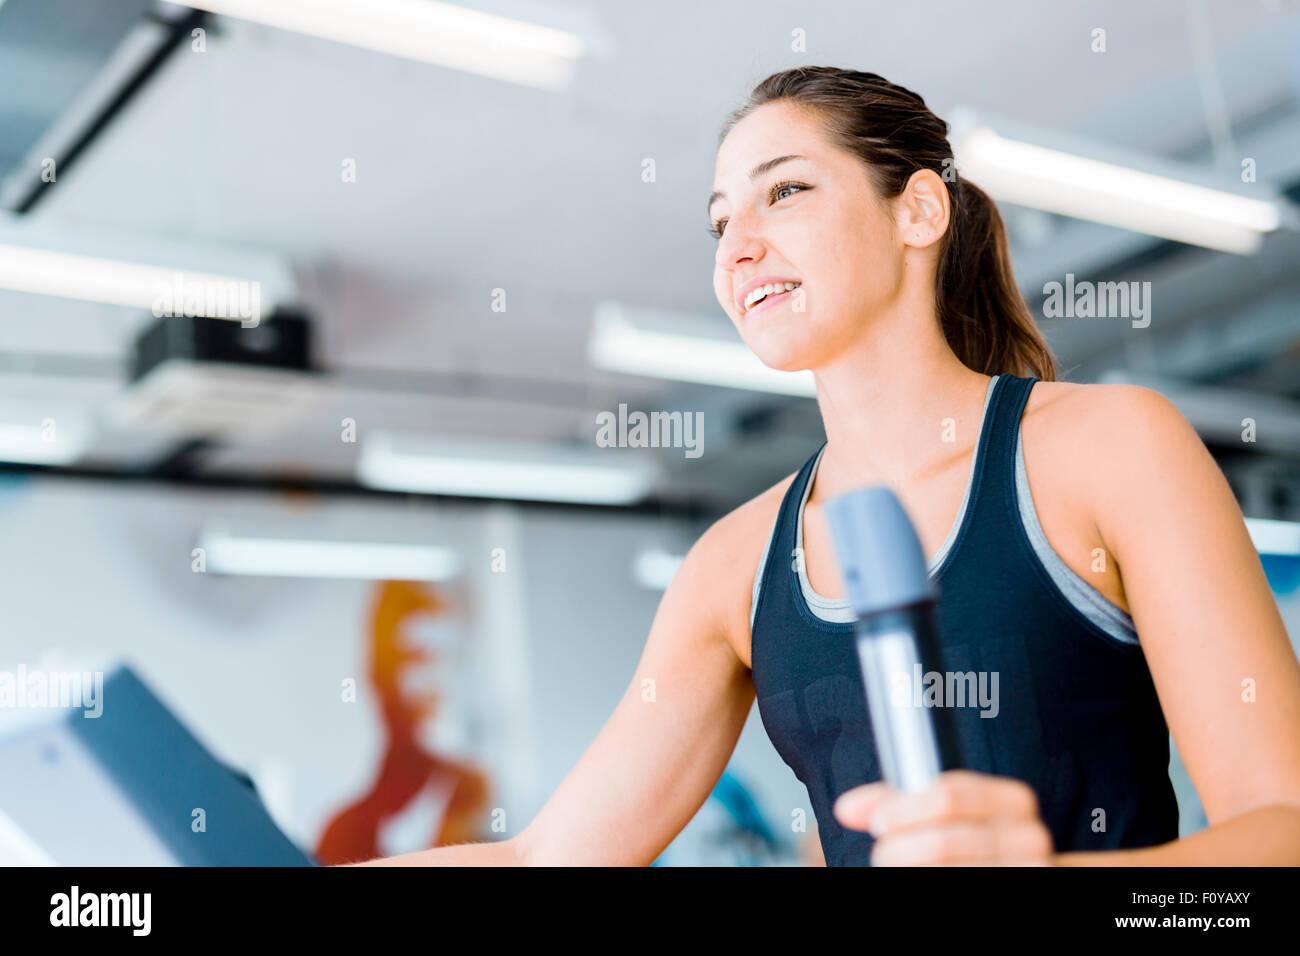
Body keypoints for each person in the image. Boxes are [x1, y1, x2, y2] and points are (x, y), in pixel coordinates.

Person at [361, 66, 1300, 866]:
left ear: (918, 209)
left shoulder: (1109, 449)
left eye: (786, 191)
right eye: (720, 222)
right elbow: (550, 856)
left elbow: (1284, 830)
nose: (739, 246)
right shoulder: (731, 568)